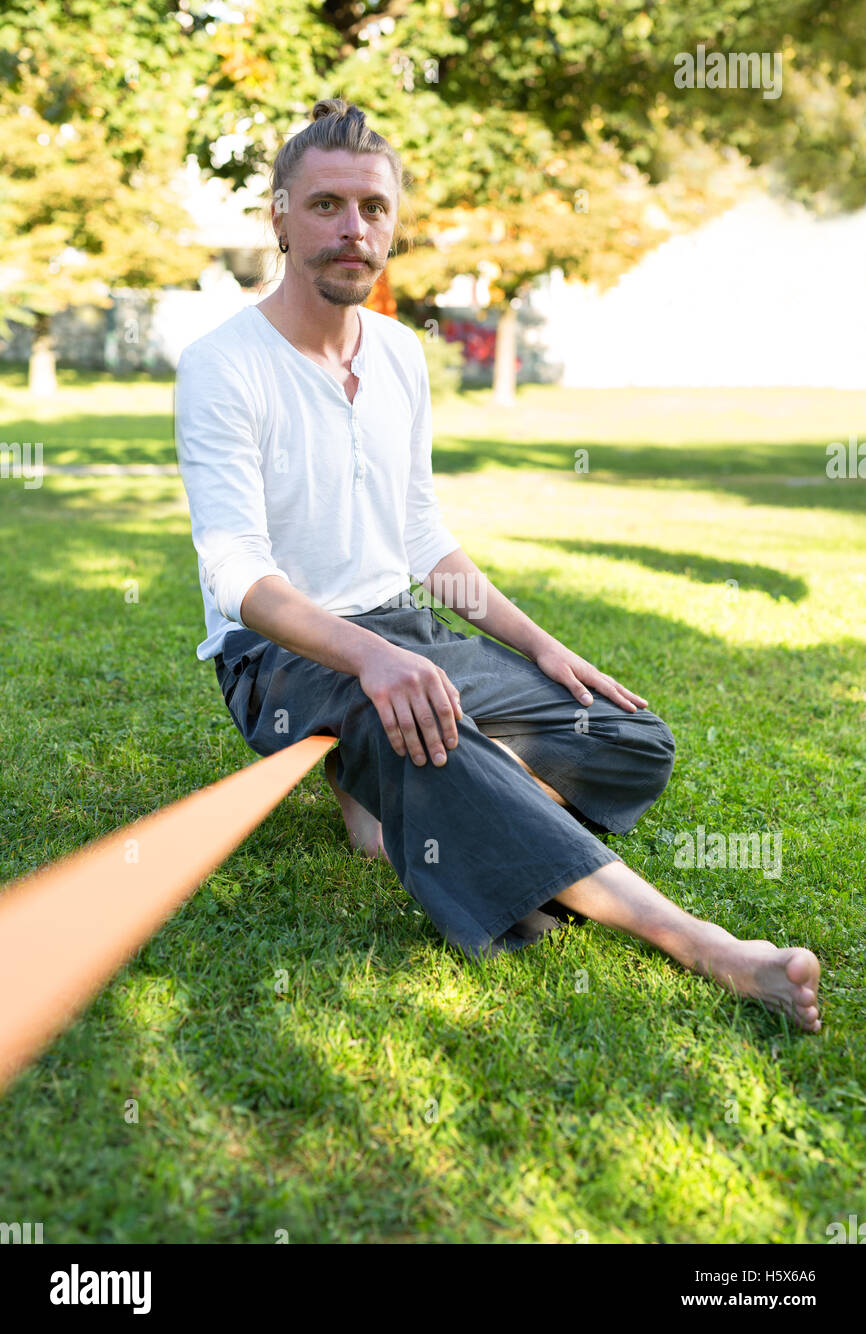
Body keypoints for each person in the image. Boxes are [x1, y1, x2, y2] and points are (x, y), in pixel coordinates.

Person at [174, 98, 821, 1032]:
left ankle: (390, 792)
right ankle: (706, 945)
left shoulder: (400, 354)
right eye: (324, 206)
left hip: (400, 628)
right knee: (419, 719)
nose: (352, 229)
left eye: (372, 208)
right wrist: (370, 658)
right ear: (278, 214)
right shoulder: (221, 364)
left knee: (630, 742)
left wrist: (543, 649)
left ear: (394, 222)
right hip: (282, 658)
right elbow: (236, 571)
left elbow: (423, 538)